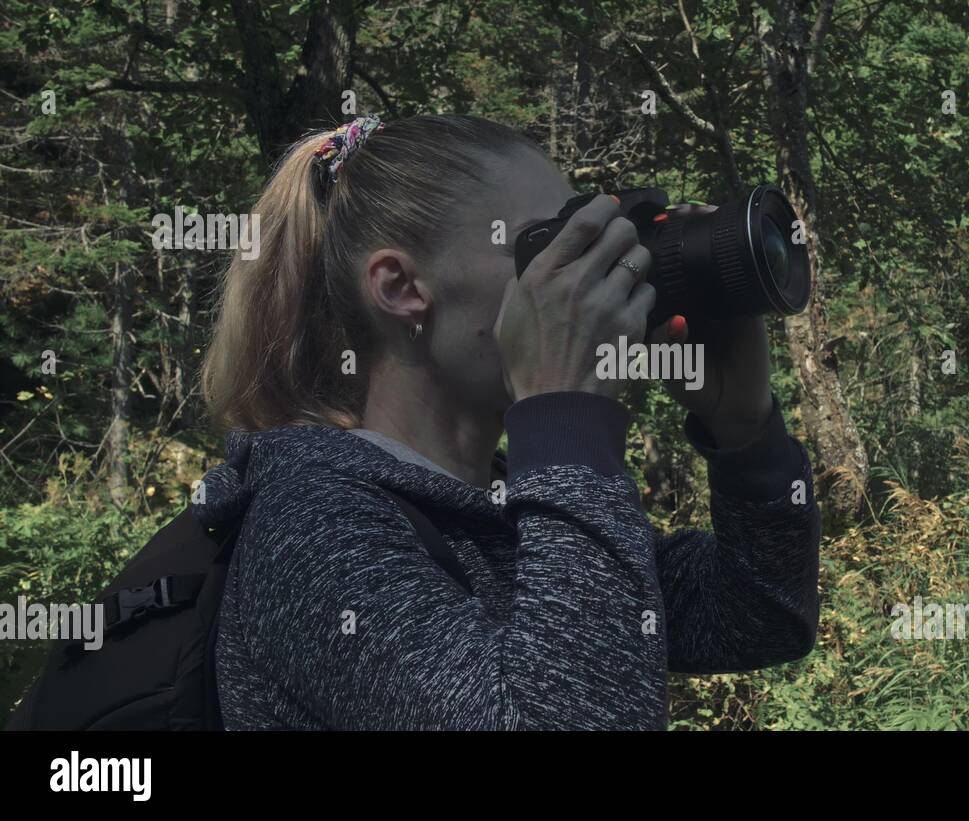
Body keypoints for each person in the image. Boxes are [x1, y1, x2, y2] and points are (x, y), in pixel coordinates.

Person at [196, 113, 821, 729]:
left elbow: (758, 616)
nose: (586, 278)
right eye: (549, 244)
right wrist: (566, 420)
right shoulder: (313, 523)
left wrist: (747, 439)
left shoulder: (495, 508)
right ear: (400, 288)